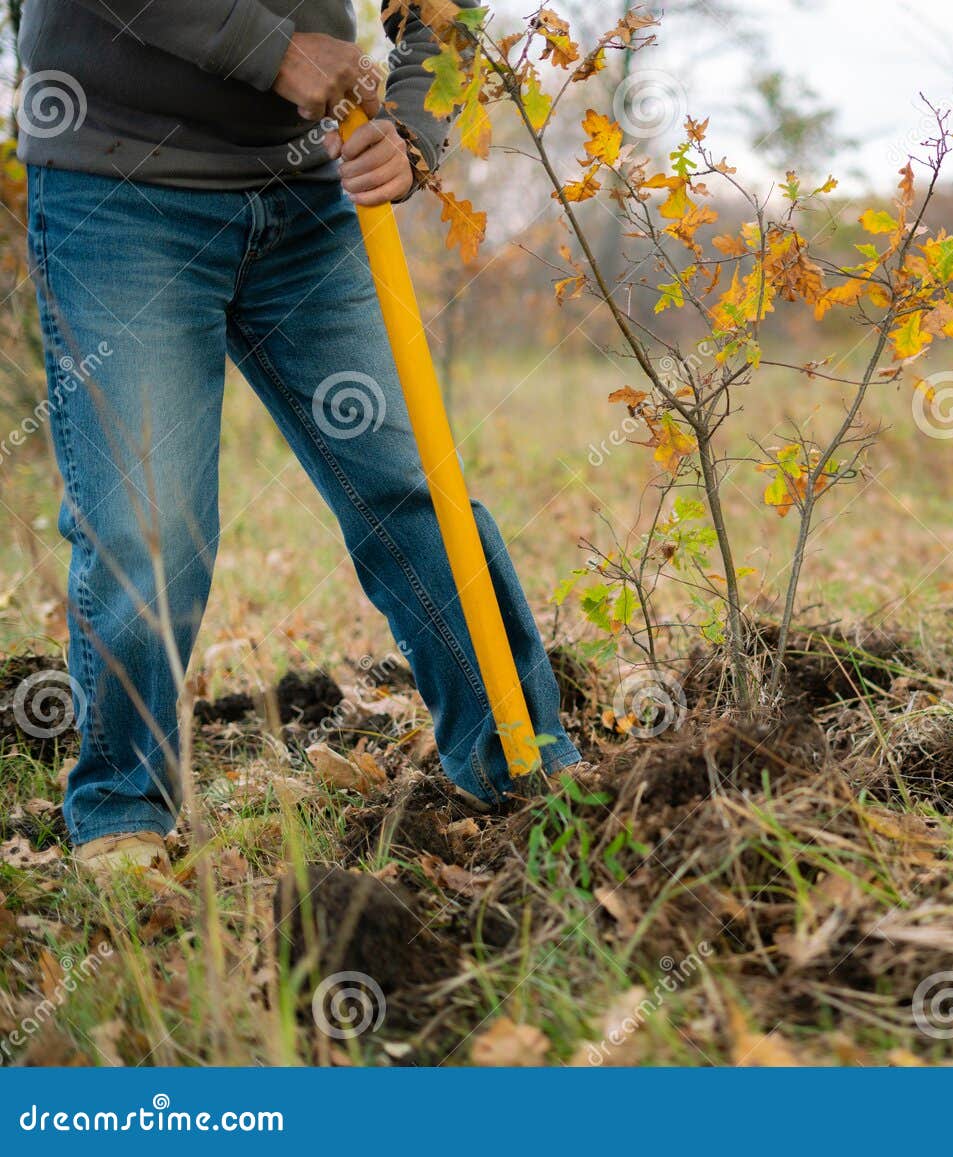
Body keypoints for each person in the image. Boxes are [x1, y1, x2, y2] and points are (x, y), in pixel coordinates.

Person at [17, 0, 581, 873]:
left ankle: (522, 764)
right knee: (148, 524)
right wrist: (272, 50)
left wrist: (411, 129)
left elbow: (440, 13)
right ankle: (122, 805)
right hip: (121, 185)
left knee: (406, 485)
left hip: (304, 198)